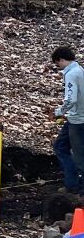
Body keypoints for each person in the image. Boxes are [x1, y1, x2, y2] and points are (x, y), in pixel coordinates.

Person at [50, 45, 84, 196]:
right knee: (60, 146)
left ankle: (77, 187)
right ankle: (72, 183)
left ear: (62, 60)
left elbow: (71, 99)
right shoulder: (80, 70)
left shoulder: (71, 74)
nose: (58, 67)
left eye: (58, 64)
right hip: (74, 118)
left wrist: (58, 112)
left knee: (78, 155)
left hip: (78, 121)